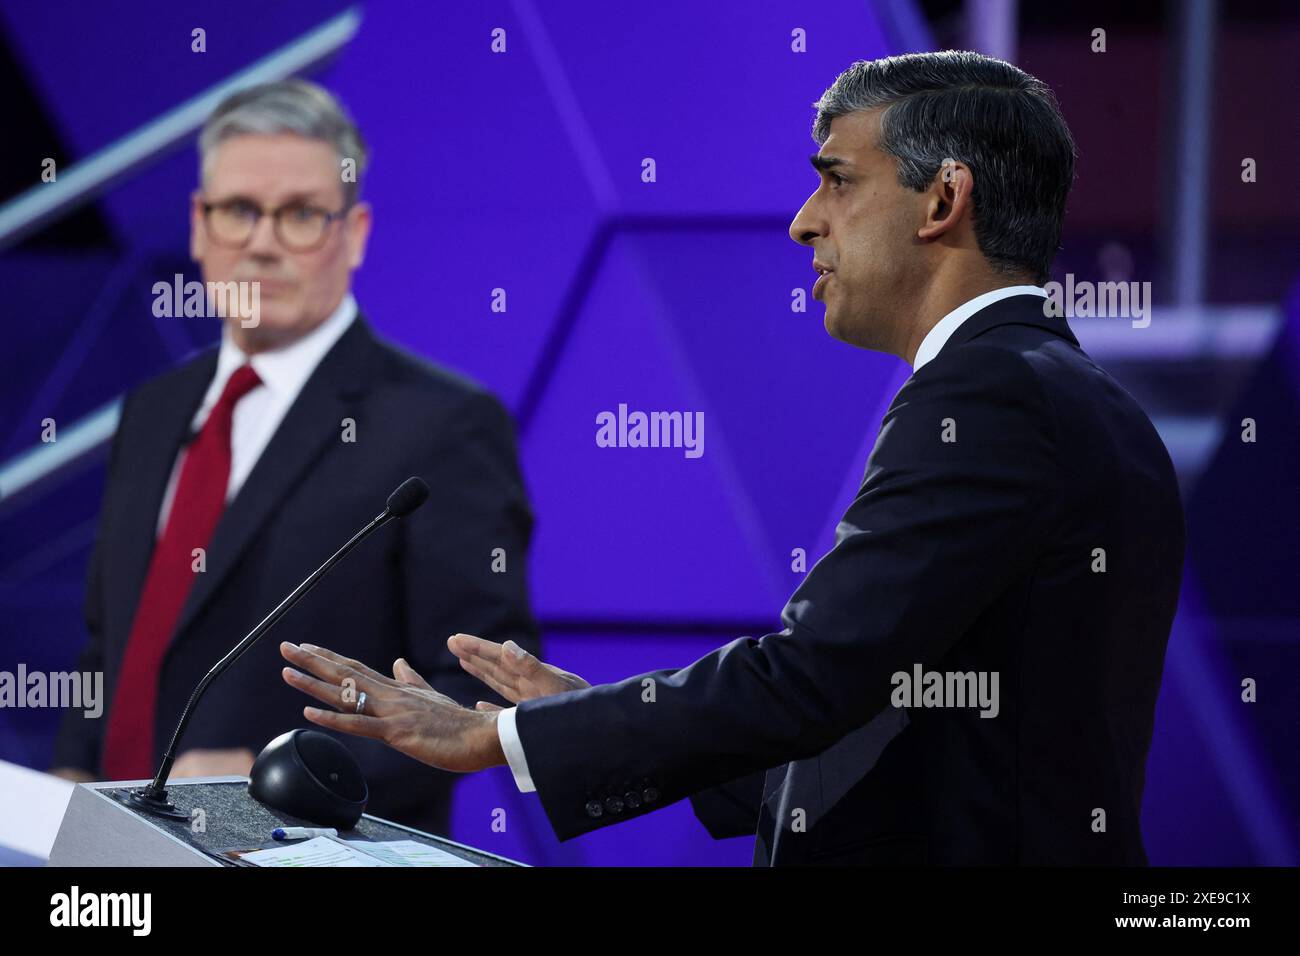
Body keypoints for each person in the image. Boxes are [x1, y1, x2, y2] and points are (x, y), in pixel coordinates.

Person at [278, 52, 1185, 864]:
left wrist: (503, 739)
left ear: (944, 199)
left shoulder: (987, 396)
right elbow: (899, 733)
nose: (803, 223)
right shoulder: (1079, 398)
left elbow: (810, 679)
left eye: (836, 180)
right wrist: (580, 716)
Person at [51, 79, 539, 838]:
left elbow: (479, 696)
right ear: (199, 226)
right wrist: (71, 781)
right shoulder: (151, 412)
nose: (264, 241)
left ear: (355, 232)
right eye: (240, 210)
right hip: (111, 856)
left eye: (302, 214)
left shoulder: (443, 426)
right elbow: (106, 645)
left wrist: (265, 778)